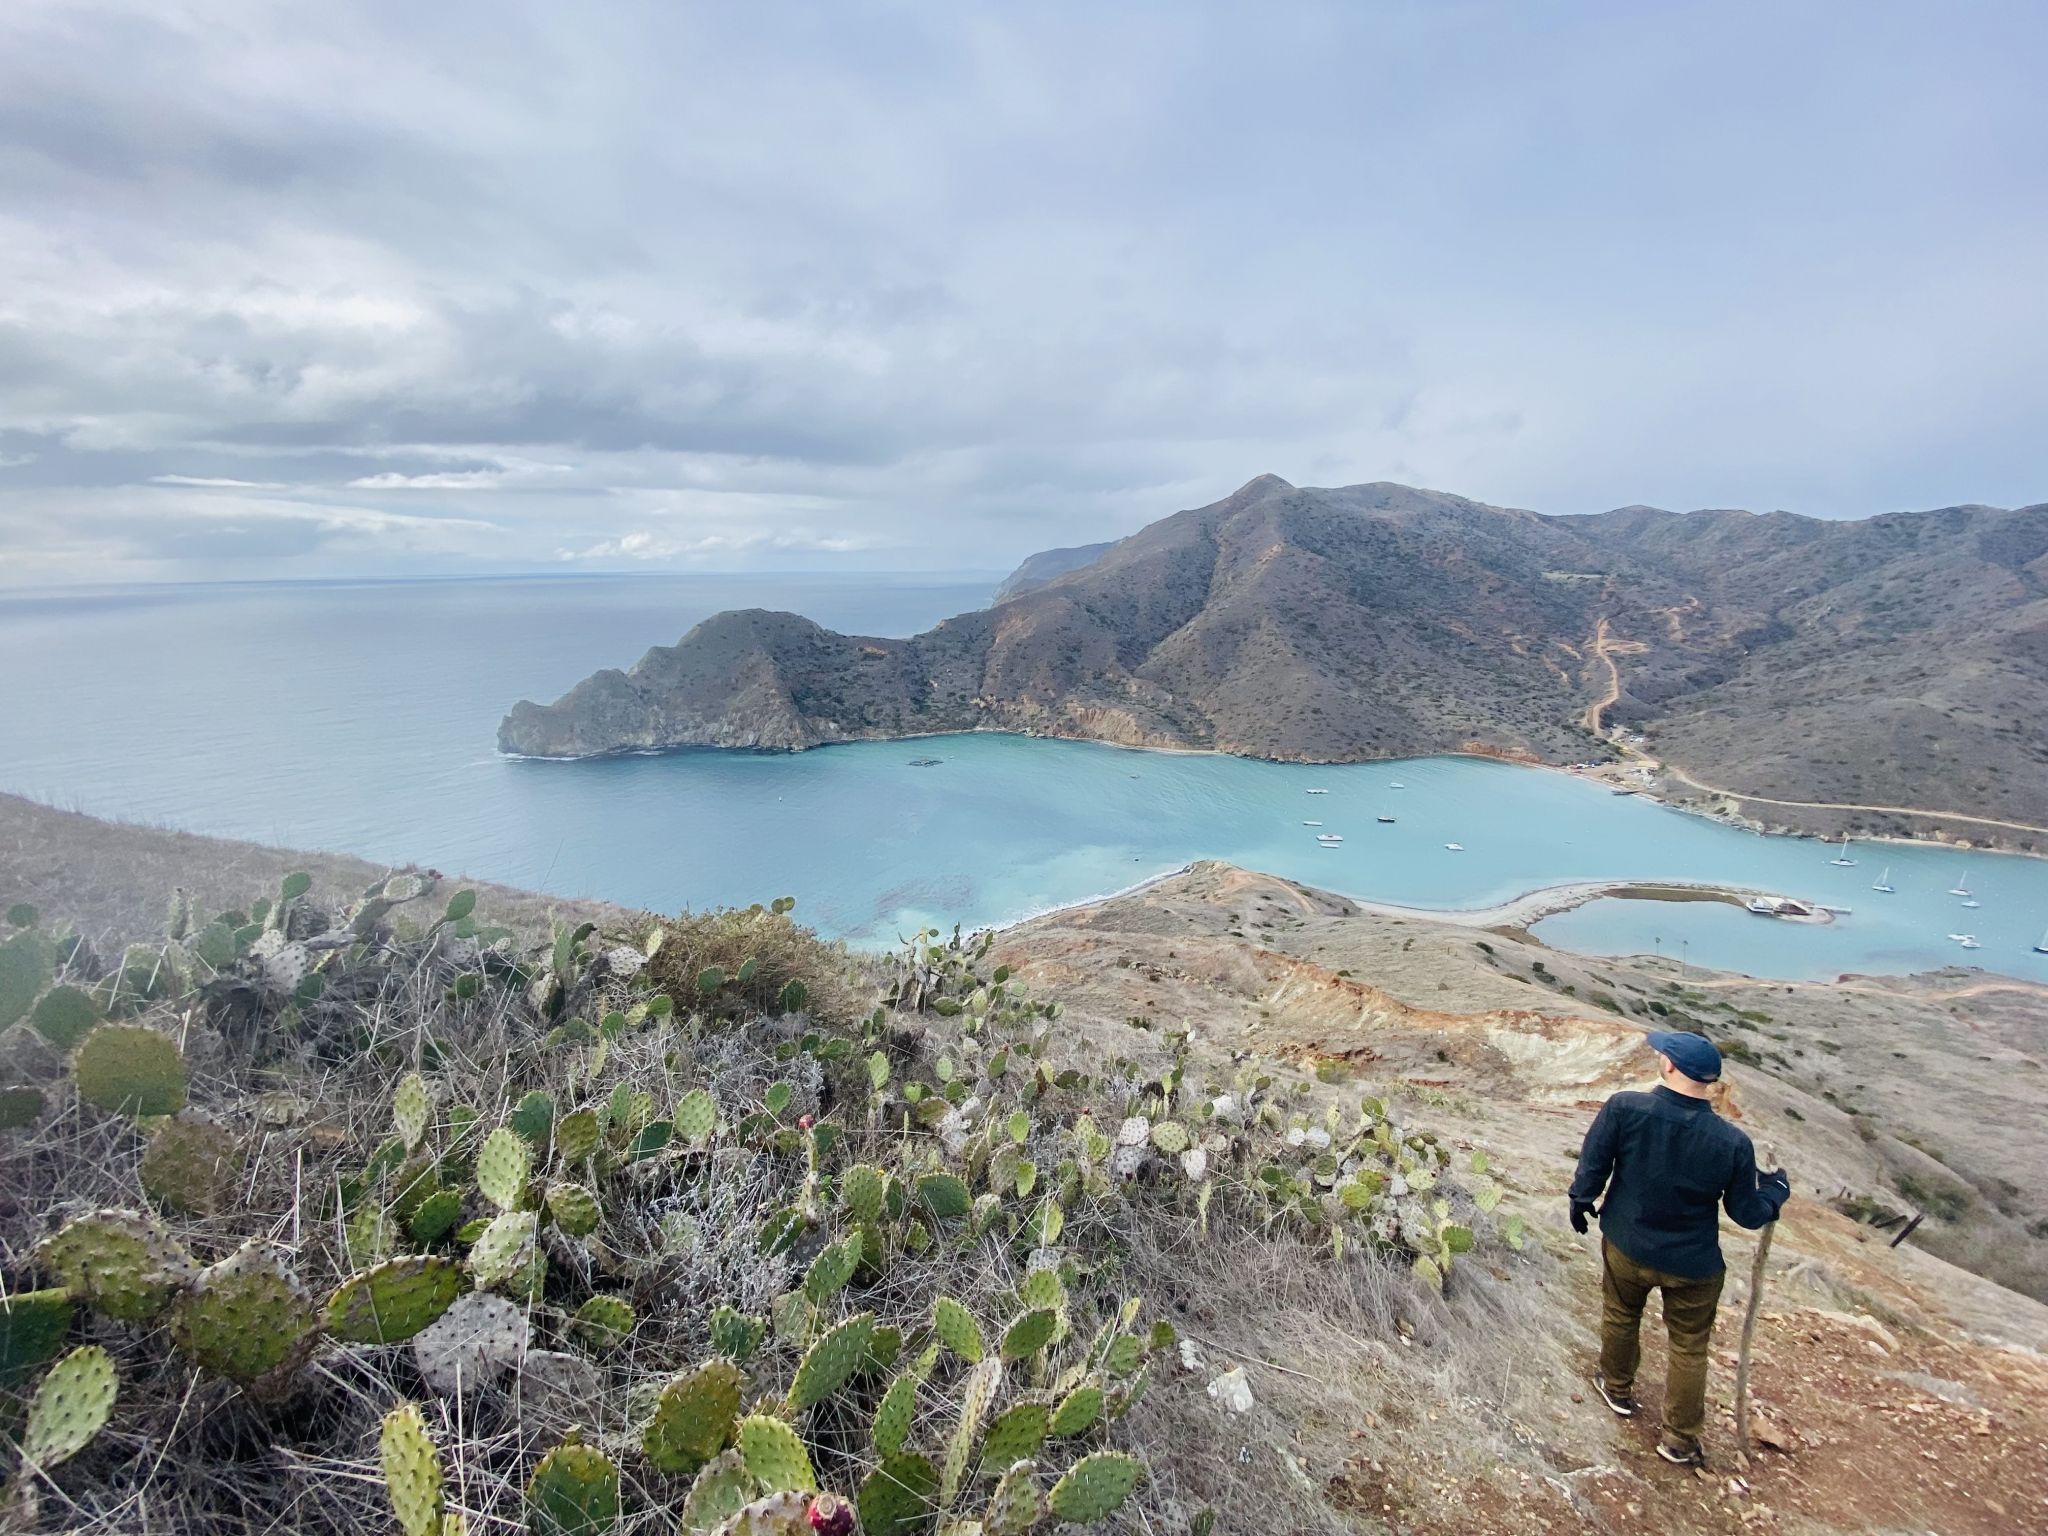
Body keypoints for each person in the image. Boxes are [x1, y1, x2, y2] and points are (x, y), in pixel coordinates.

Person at [1569, 1029, 1790, 1466]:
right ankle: (1679, 1440)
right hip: (1693, 1262)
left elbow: (1594, 1162)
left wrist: (1580, 1200)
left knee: (1620, 1314)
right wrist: (1776, 1191)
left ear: (1669, 1066)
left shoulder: (1625, 1108)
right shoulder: (1732, 1143)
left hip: (1627, 1242)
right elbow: (1747, 1213)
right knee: (1689, 1348)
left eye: (1662, 1053)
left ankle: (1616, 1389)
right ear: (1709, 1081)